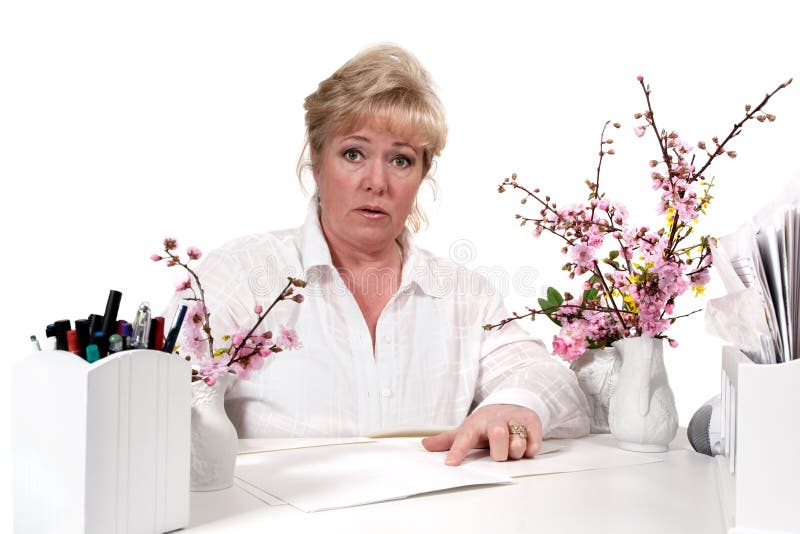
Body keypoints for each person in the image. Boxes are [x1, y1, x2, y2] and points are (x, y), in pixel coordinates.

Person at [168, 43, 589, 466]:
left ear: (423, 174)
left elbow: (554, 385)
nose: (377, 182)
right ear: (316, 160)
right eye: (354, 153)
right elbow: (161, 404)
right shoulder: (240, 272)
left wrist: (515, 406)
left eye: (401, 160)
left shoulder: (464, 295)